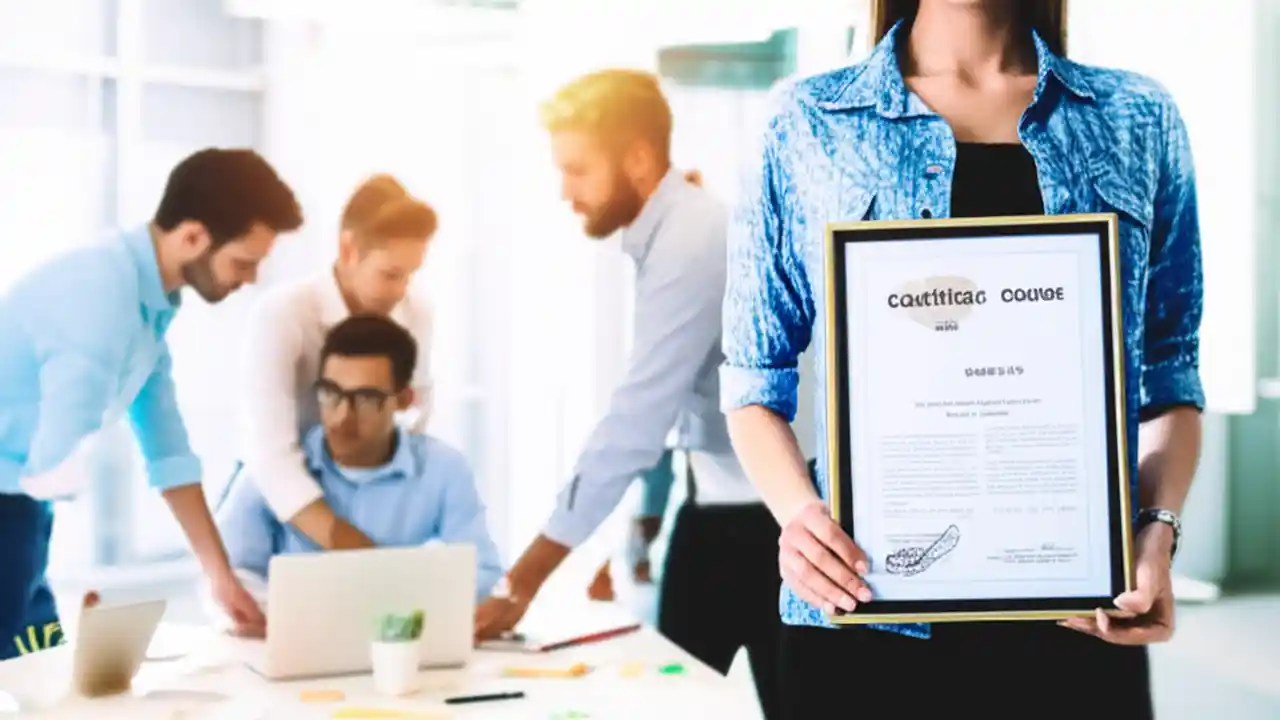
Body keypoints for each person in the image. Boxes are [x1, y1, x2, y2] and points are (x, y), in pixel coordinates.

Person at [720, 1, 1204, 718]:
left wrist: (1156, 530)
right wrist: (798, 517)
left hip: (1075, 621)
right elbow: (753, 378)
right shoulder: (806, 119)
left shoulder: (1136, 115)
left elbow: (1170, 371)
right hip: (866, 612)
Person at [473, 70, 782, 719]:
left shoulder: (693, 237)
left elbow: (635, 425)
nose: (566, 192)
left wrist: (522, 581)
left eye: (578, 170)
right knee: (677, 702)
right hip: (720, 509)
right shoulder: (674, 232)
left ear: (639, 158)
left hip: (763, 524)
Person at [0, 147, 303, 660]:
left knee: (42, 669)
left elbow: (168, 449)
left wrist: (220, 578)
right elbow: (61, 446)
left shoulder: (148, 307)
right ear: (192, 237)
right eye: (243, 262)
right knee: (29, 669)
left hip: (24, 512)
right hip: (13, 509)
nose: (249, 279)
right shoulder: (99, 294)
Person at [216, 315, 503, 636]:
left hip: (398, 648)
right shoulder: (274, 470)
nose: (342, 417)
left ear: (403, 401)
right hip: (298, 646)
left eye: (366, 399)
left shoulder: (443, 469)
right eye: (330, 393)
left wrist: (404, 610)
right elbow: (230, 576)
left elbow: (485, 575)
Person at [239, 174, 437, 557]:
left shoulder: (417, 311)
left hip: (368, 502)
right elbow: (270, 456)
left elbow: (415, 420)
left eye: (411, 275)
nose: (400, 291)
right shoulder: (282, 315)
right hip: (283, 503)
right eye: (390, 274)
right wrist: (347, 544)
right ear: (348, 249)